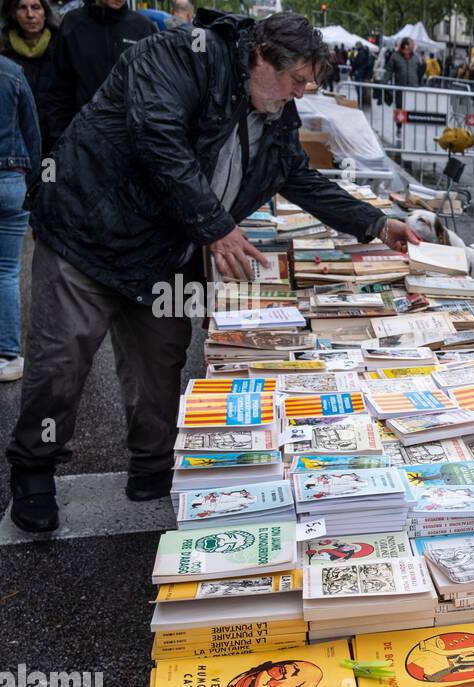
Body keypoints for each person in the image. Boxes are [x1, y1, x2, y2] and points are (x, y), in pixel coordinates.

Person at [6, 12, 421, 533]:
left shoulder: (275, 111)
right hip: (87, 230)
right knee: (61, 360)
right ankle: (35, 468)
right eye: (296, 81)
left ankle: (152, 465)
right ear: (262, 58)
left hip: (164, 253)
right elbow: (158, 140)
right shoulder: (180, 54)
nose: (299, 94)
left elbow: (296, 175)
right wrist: (214, 226)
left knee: (161, 362)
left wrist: (377, 223)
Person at [44, 0, 156, 145]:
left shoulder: (143, 27)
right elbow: (59, 90)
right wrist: (63, 141)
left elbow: (156, 90)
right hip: (85, 143)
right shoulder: (72, 25)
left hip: (132, 145)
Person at [0, 54, 38, 383]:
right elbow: (32, 131)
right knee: (7, 271)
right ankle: (8, 356)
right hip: (11, 178)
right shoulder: (12, 73)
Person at [0, 0, 57, 154]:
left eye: (36, 7)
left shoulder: (62, 46)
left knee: (50, 176)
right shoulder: (4, 54)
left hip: (57, 140)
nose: (30, 15)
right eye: (22, 8)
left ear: (45, 12)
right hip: (18, 145)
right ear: (13, 14)